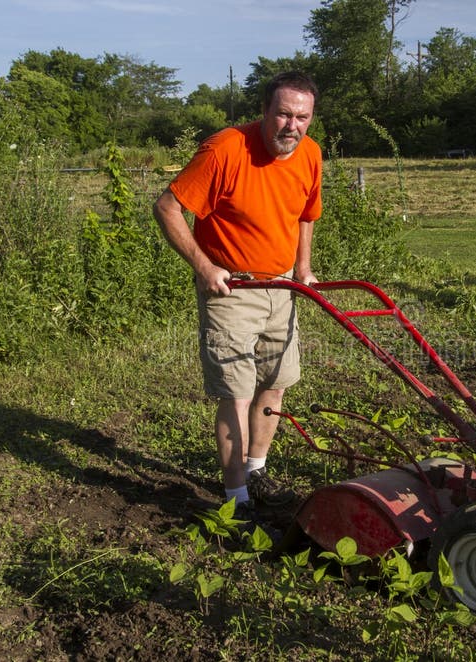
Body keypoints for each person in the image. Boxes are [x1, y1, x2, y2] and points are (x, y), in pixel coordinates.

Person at [152, 71, 322, 517]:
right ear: (264, 112)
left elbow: (306, 213)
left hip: (281, 285)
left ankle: (257, 471)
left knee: (276, 383)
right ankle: (236, 500)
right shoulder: (226, 148)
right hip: (234, 287)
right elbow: (167, 207)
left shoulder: (310, 155)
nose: (292, 125)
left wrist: (302, 269)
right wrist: (204, 267)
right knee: (237, 391)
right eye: (283, 114)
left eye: (302, 116)